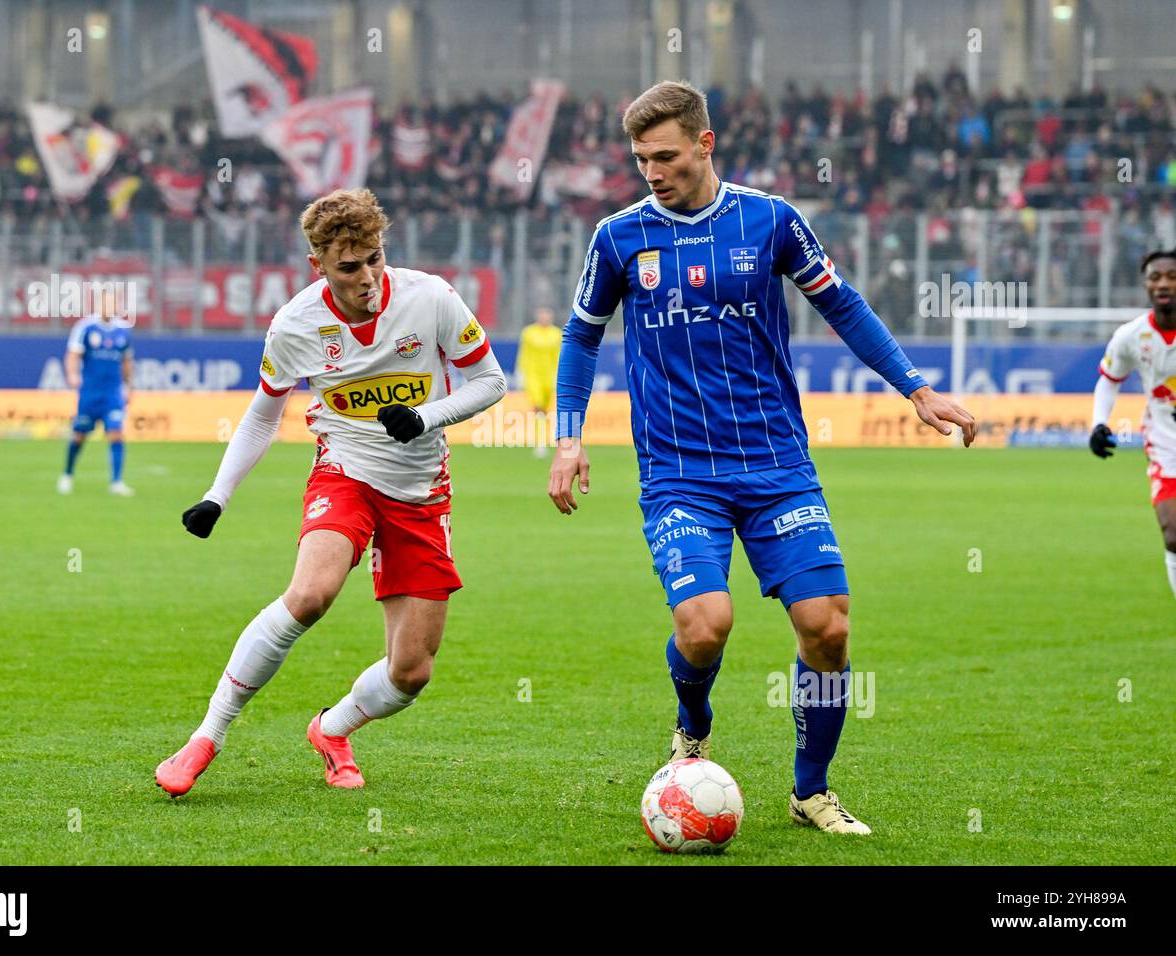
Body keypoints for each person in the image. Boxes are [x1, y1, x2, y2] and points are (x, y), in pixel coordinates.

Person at [548, 81, 975, 835]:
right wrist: (569, 434)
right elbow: (582, 335)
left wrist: (916, 387)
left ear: (705, 144)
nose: (652, 171)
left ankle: (811, 792)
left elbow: (841, 304)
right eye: (642, 158)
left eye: (667, 156)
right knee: (706, 625)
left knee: (829, 628)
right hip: (679, 470)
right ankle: (692, 727)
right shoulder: (618, 237)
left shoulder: (771, 220)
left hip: (777, 465)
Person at [156, 188, 506, 796]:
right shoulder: (296, 325)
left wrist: (427, 417)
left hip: (422, 491)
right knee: (312, 593)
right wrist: (218, 495)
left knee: (411, 671)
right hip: (344, 472)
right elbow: (264, 417)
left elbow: (491, 381)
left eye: (374, 257)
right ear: (318, 264)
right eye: (349, 266)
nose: (367, 276)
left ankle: (332, 729)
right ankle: (207, 735)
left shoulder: (431, 298)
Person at [1091, 249, 1176, 601]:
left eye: (1171, 276)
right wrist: (1098, 424)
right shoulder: (1131, 335)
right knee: (1173, 533)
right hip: (1165, 445)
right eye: (1155, 277)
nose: (1163, 283)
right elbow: (1110, 379)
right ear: (1145, 285)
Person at [58, 288, 133, 496]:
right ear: (99, 305)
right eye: (105, 303)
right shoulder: (85, 327)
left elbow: (126, 361)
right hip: (90, 394)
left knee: (116, 434)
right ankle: (67, 474)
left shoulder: (123, 330)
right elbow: (73, 355)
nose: (109, 307)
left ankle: (116, 482)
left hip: (113, 394)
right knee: (79, 435)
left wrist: (128, 386)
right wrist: (72, 375)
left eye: (113, 303)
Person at [517, 306, 564, 456]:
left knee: (547, 409)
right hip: (533, 376)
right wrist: (520, 372)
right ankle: (539, 442)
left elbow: (560, 356)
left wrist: (559, 374)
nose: (544, 318)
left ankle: (549, 439)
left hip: (550, 376)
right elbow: (523, 354)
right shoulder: (529, 333)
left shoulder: (557, 334)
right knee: (537, 408)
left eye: (547, 315)